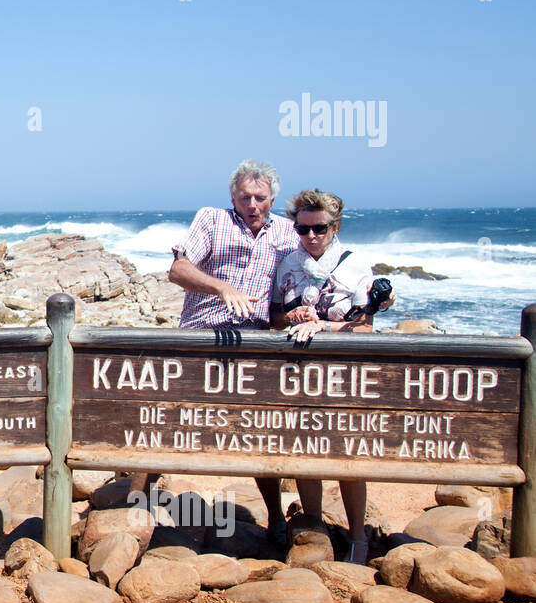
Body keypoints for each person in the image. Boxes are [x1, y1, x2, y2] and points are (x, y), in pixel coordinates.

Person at [150, 159, 300, 543]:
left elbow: (315, 265)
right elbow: (178, 271)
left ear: (272, 198)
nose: (253, 204)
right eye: (245, 197)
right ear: (233, 196)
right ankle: (135, 506)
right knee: (169, 422)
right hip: (202, 338)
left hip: (255, 344)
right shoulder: (213, 220)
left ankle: (277, 519)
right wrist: (222, 288)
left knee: (259, 431)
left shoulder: (286, 232)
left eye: (260, 198)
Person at [270, 188, 394, 564]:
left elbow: (364, 328)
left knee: (348, 457)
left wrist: (322, 325)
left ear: (334, 227)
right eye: (302, 228)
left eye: (319, 228)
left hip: (344, 376)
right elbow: (274, 318)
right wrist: (290, 319)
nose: (310, 236)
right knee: (306, 453)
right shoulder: (287, 264)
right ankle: (316, 531)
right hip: (300, 374)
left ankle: (357, 538)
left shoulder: (356, 267)